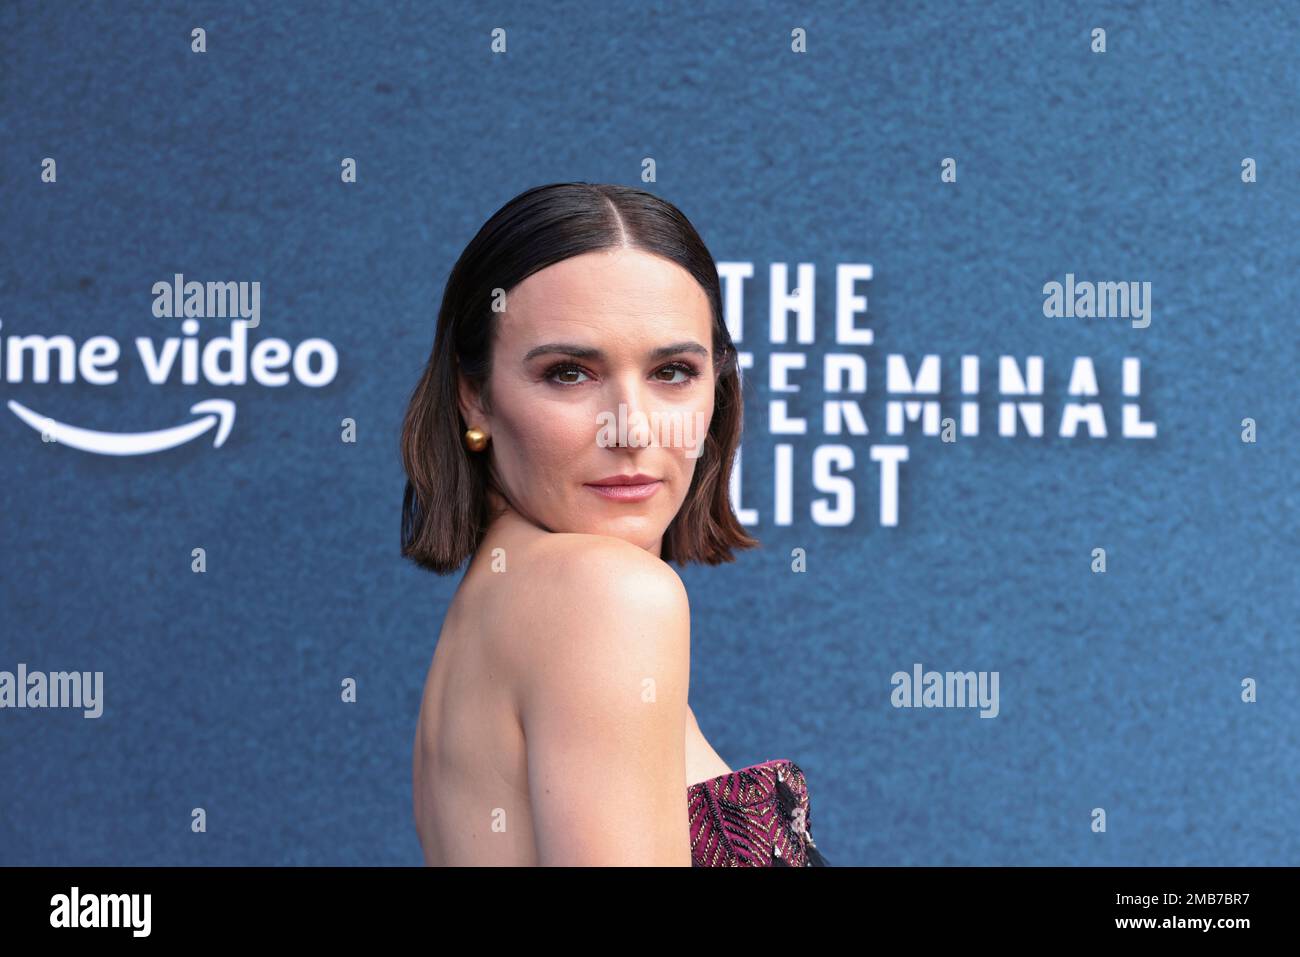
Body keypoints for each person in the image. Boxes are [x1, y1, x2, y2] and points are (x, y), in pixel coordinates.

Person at [402, 182, 828, 866]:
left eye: (672, 371)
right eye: (569, 373)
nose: (629, 426)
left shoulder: (499, 604)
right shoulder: (607, 595)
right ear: (474, 395)